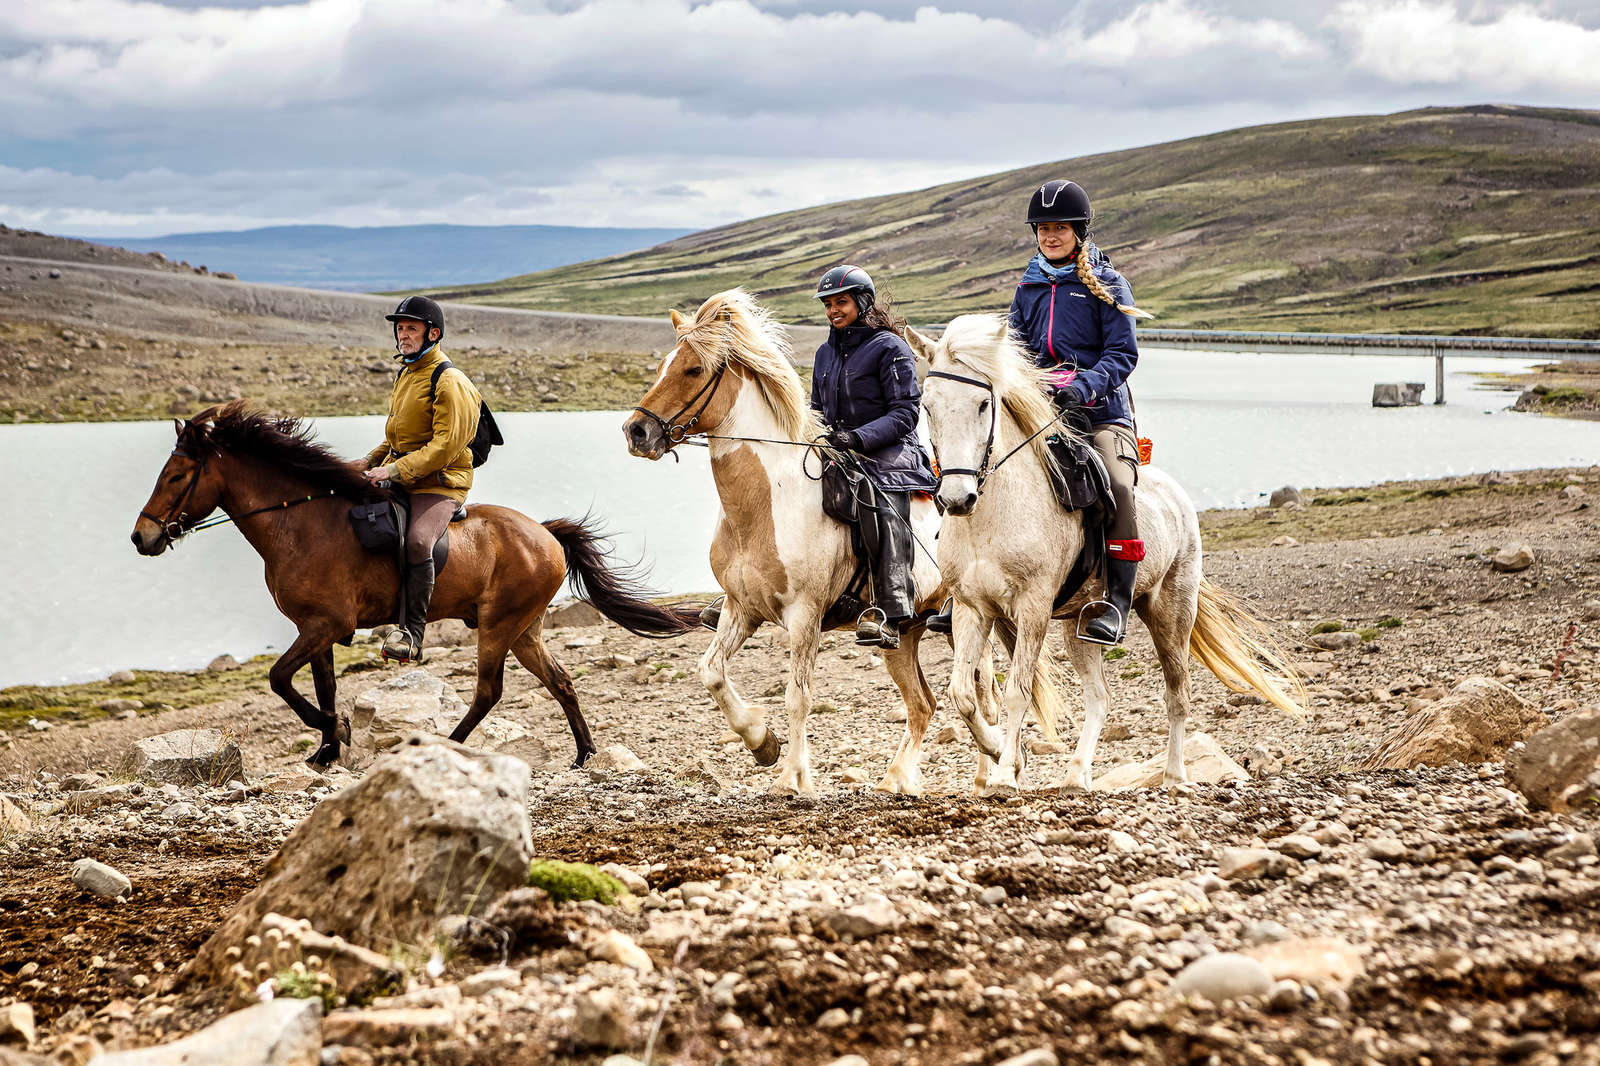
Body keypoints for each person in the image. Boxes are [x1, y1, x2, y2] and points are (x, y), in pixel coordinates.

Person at [1011, 179, 1151, 644]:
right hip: (1043, 413)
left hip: (1101, 412)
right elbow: (1015, 351)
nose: (1051, 236)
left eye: (1060, 228)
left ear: (1079, 230)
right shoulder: (1028, 287)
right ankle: (967, 587)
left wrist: (1084, 387)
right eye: (1043, 228)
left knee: (1116, 485)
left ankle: (1117, 602)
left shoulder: (1109, 284)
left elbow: (1122, 354)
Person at [810, 265, 937, 649]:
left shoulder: (890, 348)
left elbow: (904, 414)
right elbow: (816, 407)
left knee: (879, 500)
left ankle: (892, 606)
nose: (834, 310)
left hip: (891, 451)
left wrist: (859, 438)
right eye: (829, 304)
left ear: (862, 303)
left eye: (842, 302)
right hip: (840, 447)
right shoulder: (824, 353)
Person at [362, 295, 482, 663]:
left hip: (441, 482)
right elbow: (397, 437)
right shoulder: (407, 374)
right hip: (407, 474)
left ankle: (412, 634)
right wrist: (368, 462)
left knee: (416, 542)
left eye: (411, 328)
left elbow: (446, 445)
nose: (403, 335)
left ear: (433, 333)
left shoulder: (449, 380)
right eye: (400, 328)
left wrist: (394, 470)